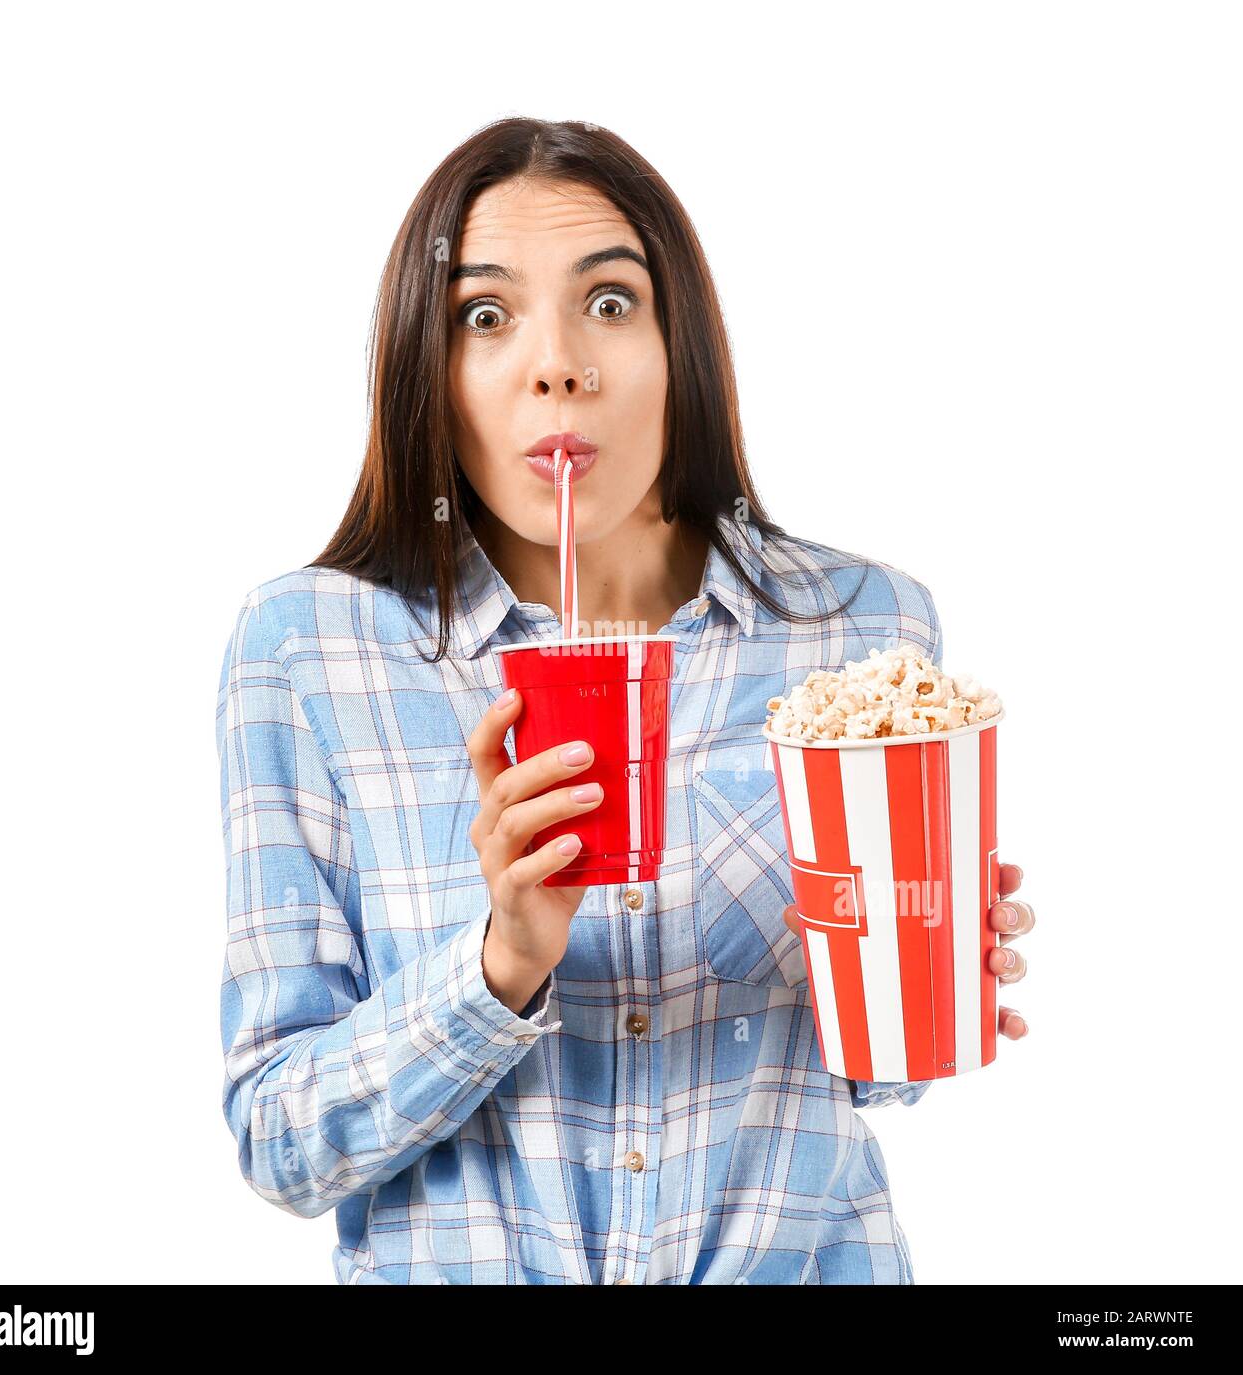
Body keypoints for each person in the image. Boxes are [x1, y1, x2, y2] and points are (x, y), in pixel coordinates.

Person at [215, 117, 1035, 1285]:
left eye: (609, 302)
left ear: (677, 347)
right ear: (428, 373)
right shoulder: (310, 650)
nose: (559, 362)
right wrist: (500, 964)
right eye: (485, 316)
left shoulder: (864, 629)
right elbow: (281, 1144)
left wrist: (924, 957)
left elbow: (874, 1075)